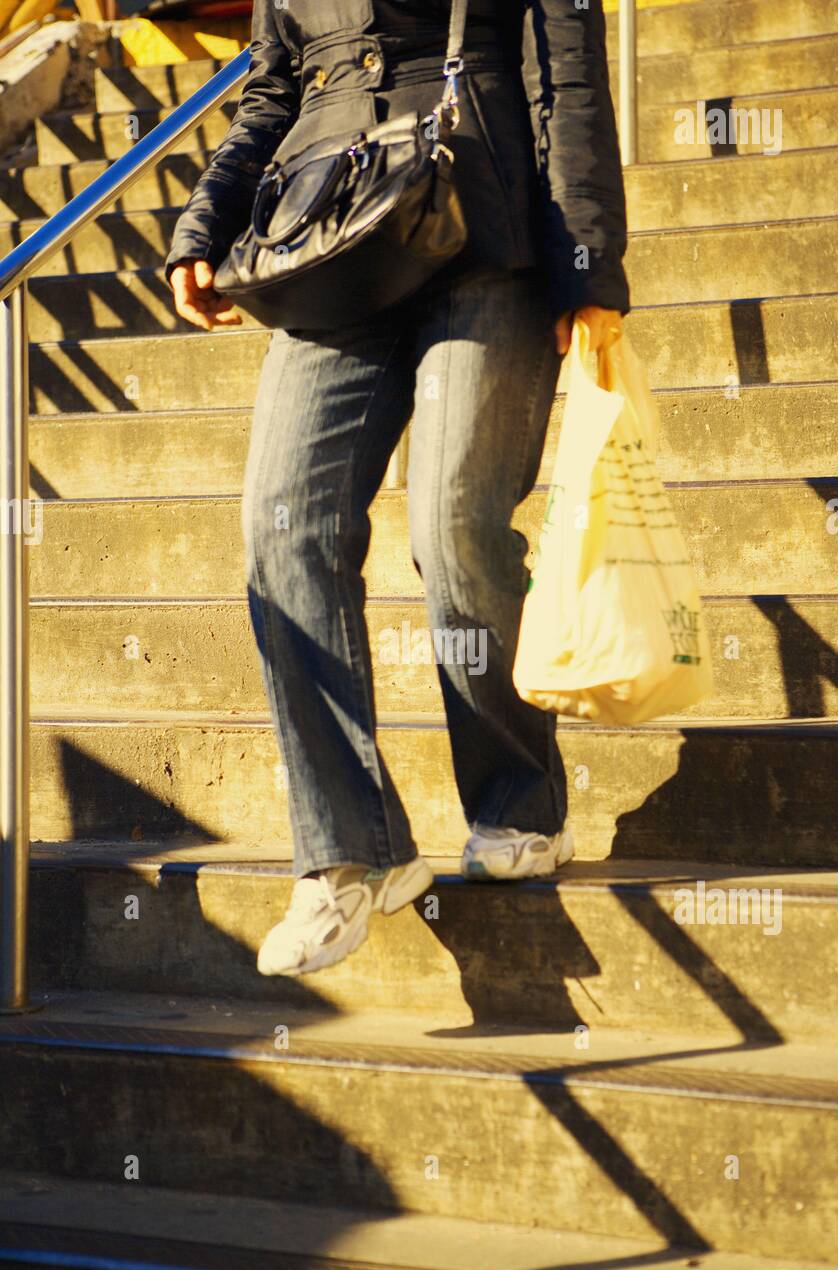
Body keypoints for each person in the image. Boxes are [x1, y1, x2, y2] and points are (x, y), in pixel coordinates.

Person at [165, 0, 630, 978]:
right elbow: (272, 92)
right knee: (278, 524)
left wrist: (585, 263)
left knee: (453, 518)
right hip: (330, 241)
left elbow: (565, 72)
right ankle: (349, 853)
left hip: (483, 226)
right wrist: (204, 224)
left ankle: (517, 801)